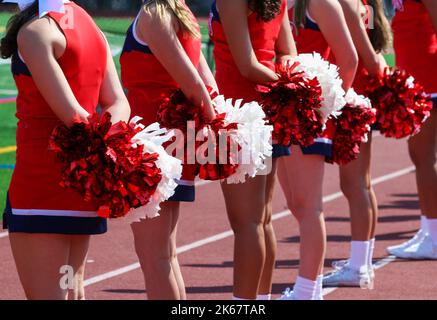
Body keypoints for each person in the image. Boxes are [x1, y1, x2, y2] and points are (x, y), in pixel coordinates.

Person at [0, 0, 130, 300]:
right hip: (82, 185)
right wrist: (106, 147)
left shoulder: (36, 31)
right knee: (72, 290)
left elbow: (72, 117)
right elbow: (117, 103)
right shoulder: (90, 24)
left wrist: (98, 145)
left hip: (42, 187)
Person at [120, 0, 217, 300]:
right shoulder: (181, 12)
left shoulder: (154, 15)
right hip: (173, 145)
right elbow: (207, 83)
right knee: (165, 254)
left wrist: (216, 124)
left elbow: (195, 86)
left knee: (155, 258)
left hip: (154, 150)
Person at [209, 0, 297, 300]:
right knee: (261, 220)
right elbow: (288, 53)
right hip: (269, 113)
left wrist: (284, 86)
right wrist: (285, 85)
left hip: (241, 117)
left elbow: (247, 66)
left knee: (246, 224)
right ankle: (261, 299)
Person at [280, 0, 358, 299]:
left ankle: (307, 290)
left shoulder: (321, 3)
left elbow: (349, 59)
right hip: (283, 116)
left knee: (308, 205)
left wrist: (327, 108)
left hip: (309, 116)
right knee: (296, 204)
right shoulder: (280, 5)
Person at [323, 0, 391, 288]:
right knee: (361, 184)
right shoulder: (363, 3)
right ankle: (361, 261)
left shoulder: (348, 4)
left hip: (352, 99)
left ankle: (360, 266)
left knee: (355, 185)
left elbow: (366, 56)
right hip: (358, 96)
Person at [386, 0, 437, 259]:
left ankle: (435, 235)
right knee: (420, 156)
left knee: (424, 156)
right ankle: (429, 227)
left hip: (428, 74)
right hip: (413, 75)